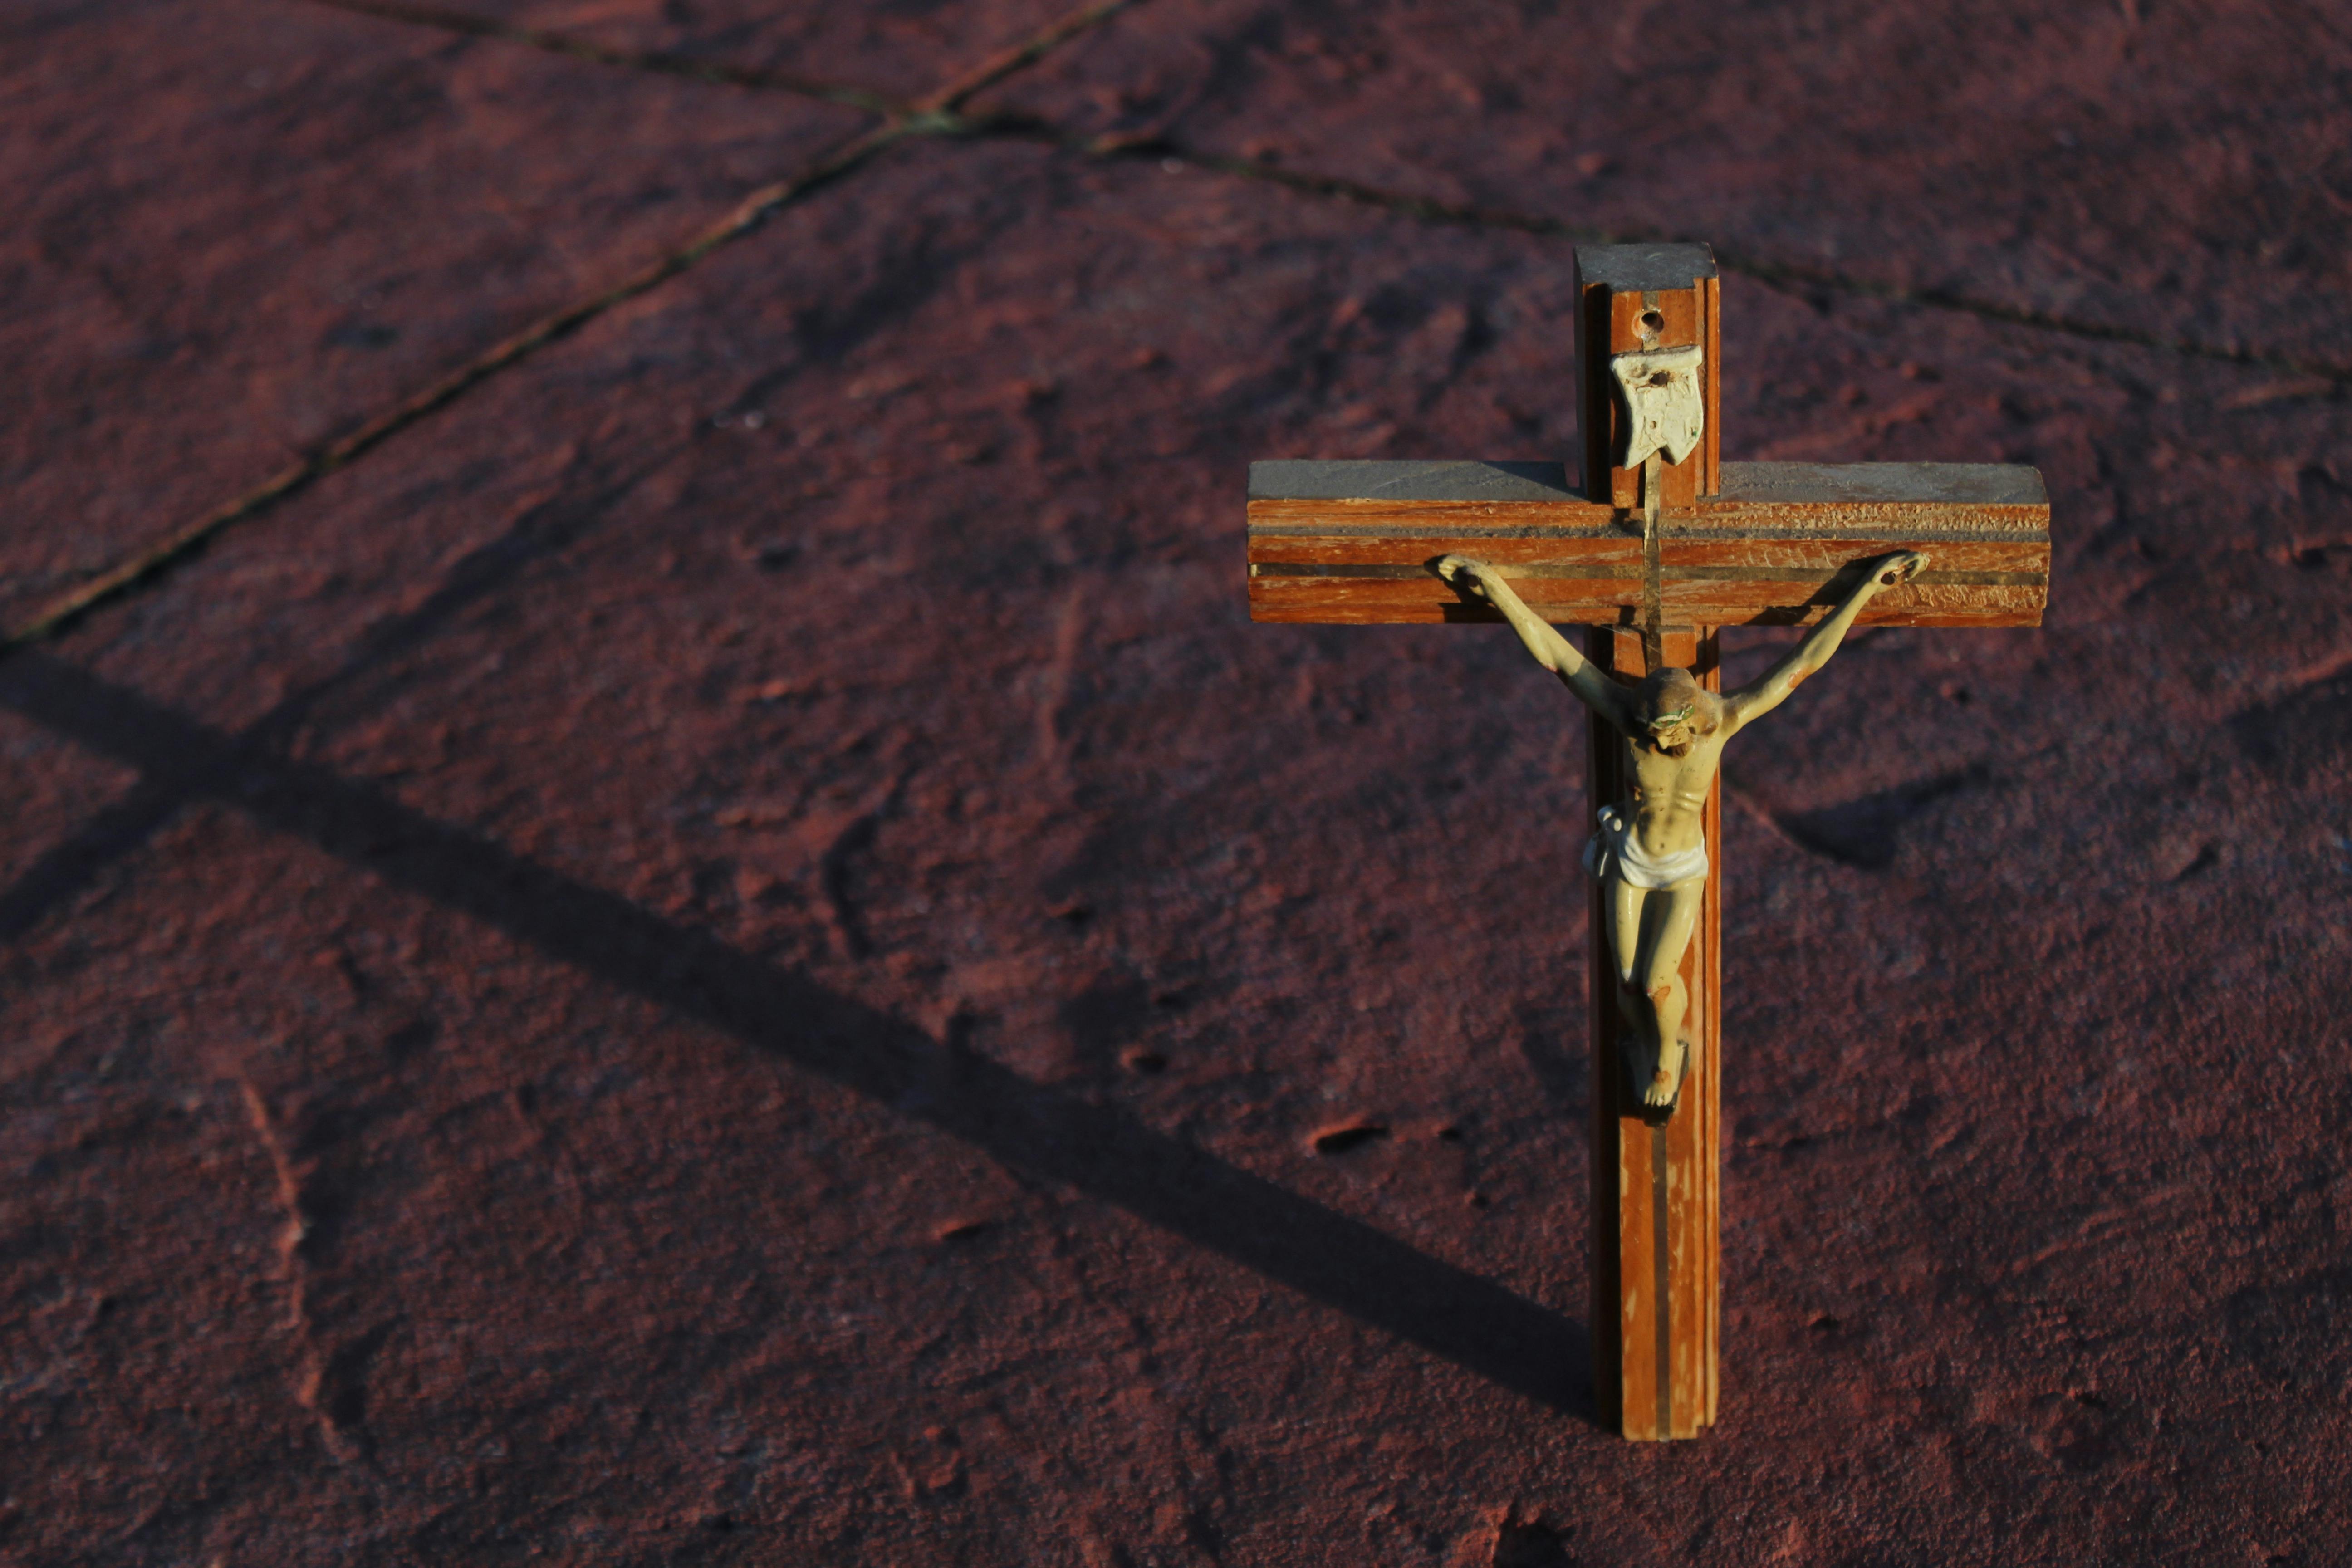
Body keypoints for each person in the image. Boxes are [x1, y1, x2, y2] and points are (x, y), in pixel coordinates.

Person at [1434, 549, 1929, 1109]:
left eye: (1667, 734)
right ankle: (1643, 1038)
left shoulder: (1723, 719)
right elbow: (1556, 657)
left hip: (1682, 869)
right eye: (1648, 732)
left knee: (1656, 982)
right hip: (1631, 857)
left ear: (1693, 717)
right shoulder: (1627, 716)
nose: (1657, 744)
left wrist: (1868, 587)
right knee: (1626, 981)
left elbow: (1804, 663)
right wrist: (1496, 587)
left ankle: (1667, 1052)